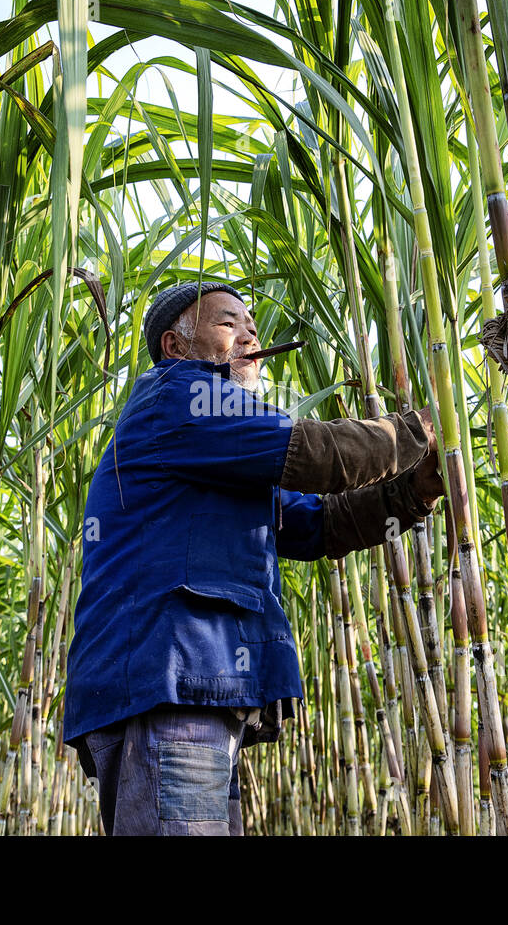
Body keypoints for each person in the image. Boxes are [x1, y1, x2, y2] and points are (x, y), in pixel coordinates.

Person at [62, 281, 445, 835]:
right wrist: (412, 434)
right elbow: (314, 453)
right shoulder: (179, 396)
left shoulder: (221, 446)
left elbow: (316, 526)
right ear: (175, 345)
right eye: (227, 323)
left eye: (252, 325)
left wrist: (411, 494)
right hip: (169, 678)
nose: (249, 334)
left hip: (195, 686)